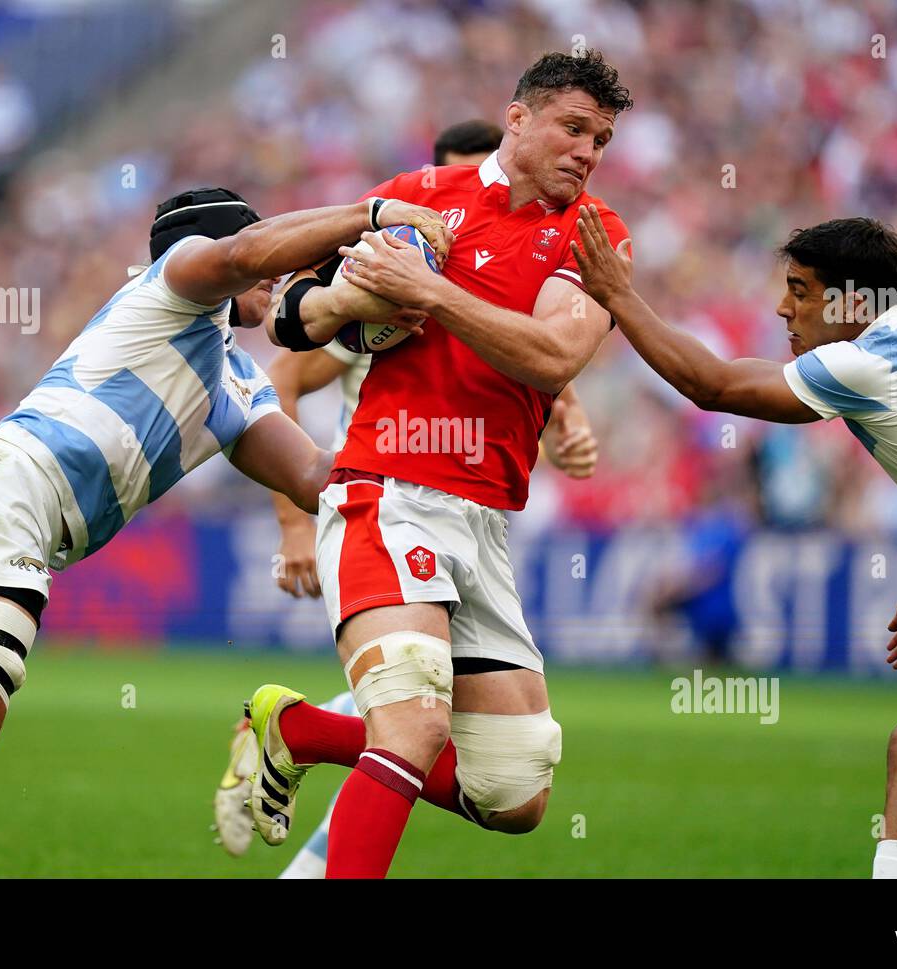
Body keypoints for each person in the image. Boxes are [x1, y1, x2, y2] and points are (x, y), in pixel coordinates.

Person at [0, 187, 449, 839]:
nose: (277, 275)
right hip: (5, 499)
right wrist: (373, 214)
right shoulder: (177, 283)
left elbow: (312, 476)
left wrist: (423, 453)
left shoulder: (236, 380)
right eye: (263, 255)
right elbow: (247, 252)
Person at [570, 206, 897, 878]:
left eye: (802, 291)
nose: (784, 308)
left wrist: (616, 294)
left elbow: (712, 384)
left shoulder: (867, 360)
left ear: (855, 301)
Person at [233, 50, 633, 878]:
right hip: (388, 493)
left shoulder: (597, 235)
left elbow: (556, 354)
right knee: (412, 728)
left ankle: (300, 729)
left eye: (602, 138)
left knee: (513, 794)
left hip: (485, 519)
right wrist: (349, 300)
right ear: (518, 119)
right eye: (574, 128)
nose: (589, 152)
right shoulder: (413, 199)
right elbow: (287, 322)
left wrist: (435, 291)